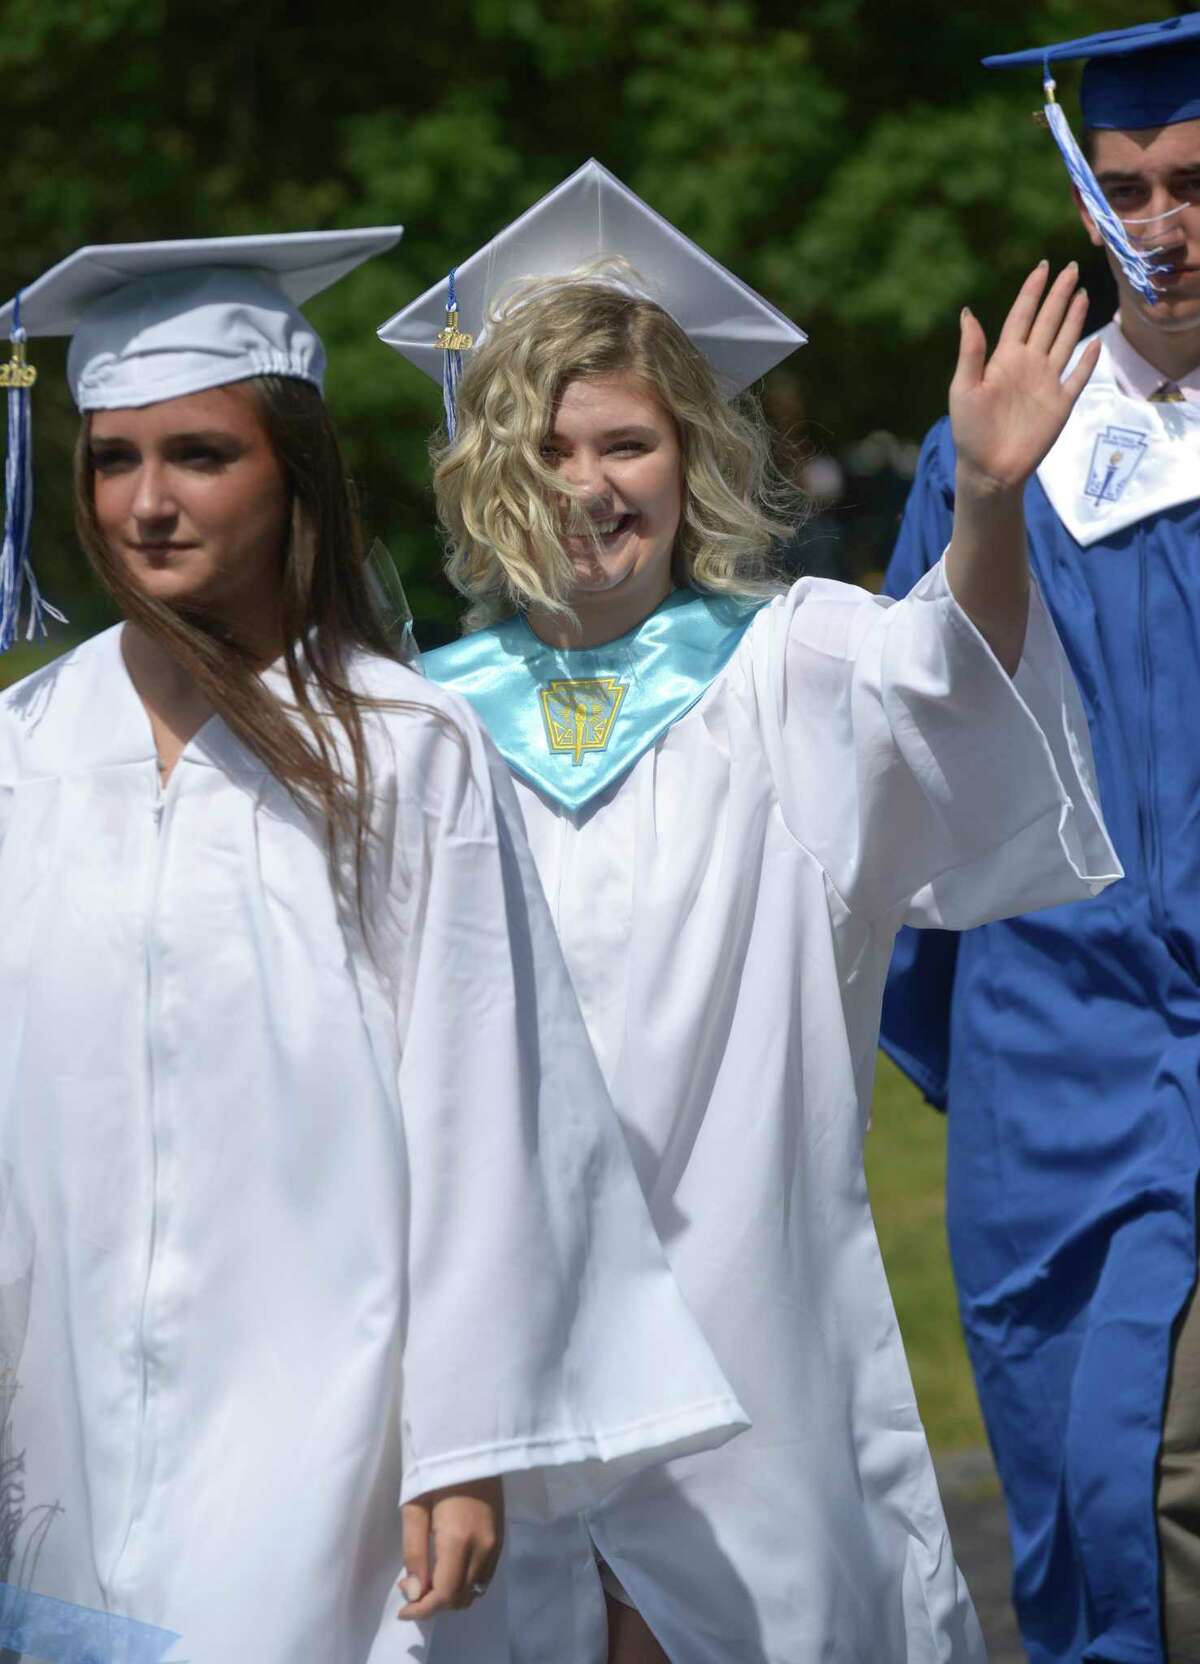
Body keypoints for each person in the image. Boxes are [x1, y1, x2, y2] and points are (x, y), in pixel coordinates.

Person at [377, 158, 1121, 1664]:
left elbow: (954, 700)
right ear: (487, 467)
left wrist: (986, 503)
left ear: (691, 456)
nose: (591, 484)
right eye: (550, 442)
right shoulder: (412, 730)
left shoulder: (791, 668)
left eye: (629, 441)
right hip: (483, 1343)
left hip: (744, 1332)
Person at [0, 229, 750, 1664]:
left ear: (290, 470)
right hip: (64, 1404)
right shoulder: (27, 750)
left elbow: (488, 1114)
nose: (147, 504)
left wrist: (463, 1440)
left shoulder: (403, 751)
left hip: (323, 1408)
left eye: (199, 456)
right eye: (111, 460)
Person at [879, 17, 1200, 1663]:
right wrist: (994, 505)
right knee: (1091, 1485)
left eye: (1199, 184)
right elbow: (917, 758)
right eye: (1130, 187)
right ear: (1086, 199)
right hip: (1064, 1050)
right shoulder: (1008, 461)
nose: (1166, 226)